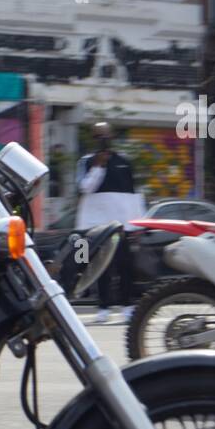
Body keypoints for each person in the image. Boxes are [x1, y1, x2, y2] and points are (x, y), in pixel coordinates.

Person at [75, 122, 141, 324]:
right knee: (100, 267)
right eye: (98, 136)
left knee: (125, 267)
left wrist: (136, 224)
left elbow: (132, 194)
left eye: (105, 136)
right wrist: (98, 166)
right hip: (96, 226)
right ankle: (103, 308)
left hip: (121, 224)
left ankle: (127, 307)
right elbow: (85, 188)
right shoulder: (86, 162)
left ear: (111, 137)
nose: (102, 140)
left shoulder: (124, 162)